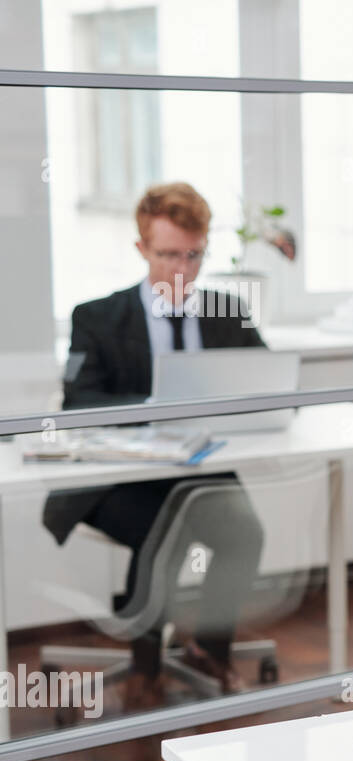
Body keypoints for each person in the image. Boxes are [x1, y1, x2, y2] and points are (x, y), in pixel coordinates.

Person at [42, 182, 267, 693]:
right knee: (164, 528)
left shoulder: (226, 312)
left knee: (243, 532)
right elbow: (80, 401)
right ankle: (145, 664)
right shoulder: (96, 318)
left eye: (193, 255)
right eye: (168, 255)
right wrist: (151, 412)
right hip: (118, 480)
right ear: (142, 249)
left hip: (195, 469)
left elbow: (264, 381)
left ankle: (208, 648)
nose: (181, 270)